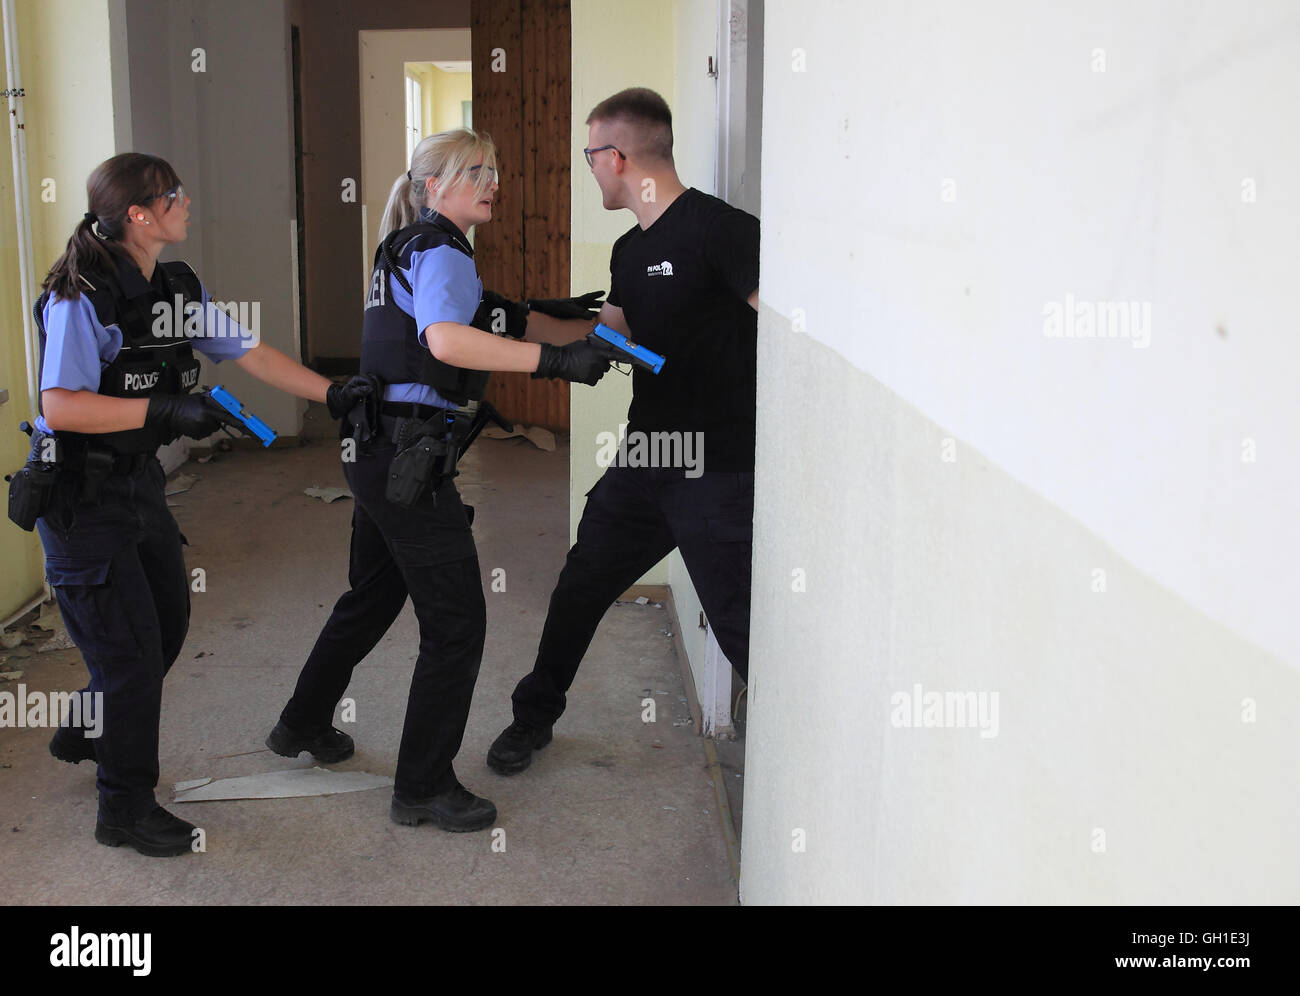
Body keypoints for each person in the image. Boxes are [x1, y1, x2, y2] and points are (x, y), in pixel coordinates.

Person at [26, 152, 374, 857]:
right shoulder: (79, 295)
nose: (185, 204)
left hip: (136, 486)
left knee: (168, 624)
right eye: (173, 196)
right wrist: (166, 408)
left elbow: (249, 351)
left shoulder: (173, 285)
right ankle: (123, 808)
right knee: (128, 656)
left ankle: (91, 726)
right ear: (138, 215)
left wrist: (331, 392)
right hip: (78, 497)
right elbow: (59, 405)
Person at [266, 128, 610, 832]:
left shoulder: (411, 245)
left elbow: (486, 314)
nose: (492, 182)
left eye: (494, 169)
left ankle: (301, 723)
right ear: (432, 187)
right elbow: (446, 340)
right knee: (456, 626)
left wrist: (568, 323)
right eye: (473, 171)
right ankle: (422, 787)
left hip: (373, 452)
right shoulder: (443, 251)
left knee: (369, 599)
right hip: (407, 461)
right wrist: (553, 364)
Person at [488, 87, 760, 775]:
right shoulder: (629, 250)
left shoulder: (721, 229)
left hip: (716, 466)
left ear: (617, 156)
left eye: (590, 155)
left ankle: (803, 770)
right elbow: (611, 338)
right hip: (646, 457)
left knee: (742, 627)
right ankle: (533, 717)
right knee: (582, 584)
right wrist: (512, 318)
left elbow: (782, 330)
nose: (590, 168)